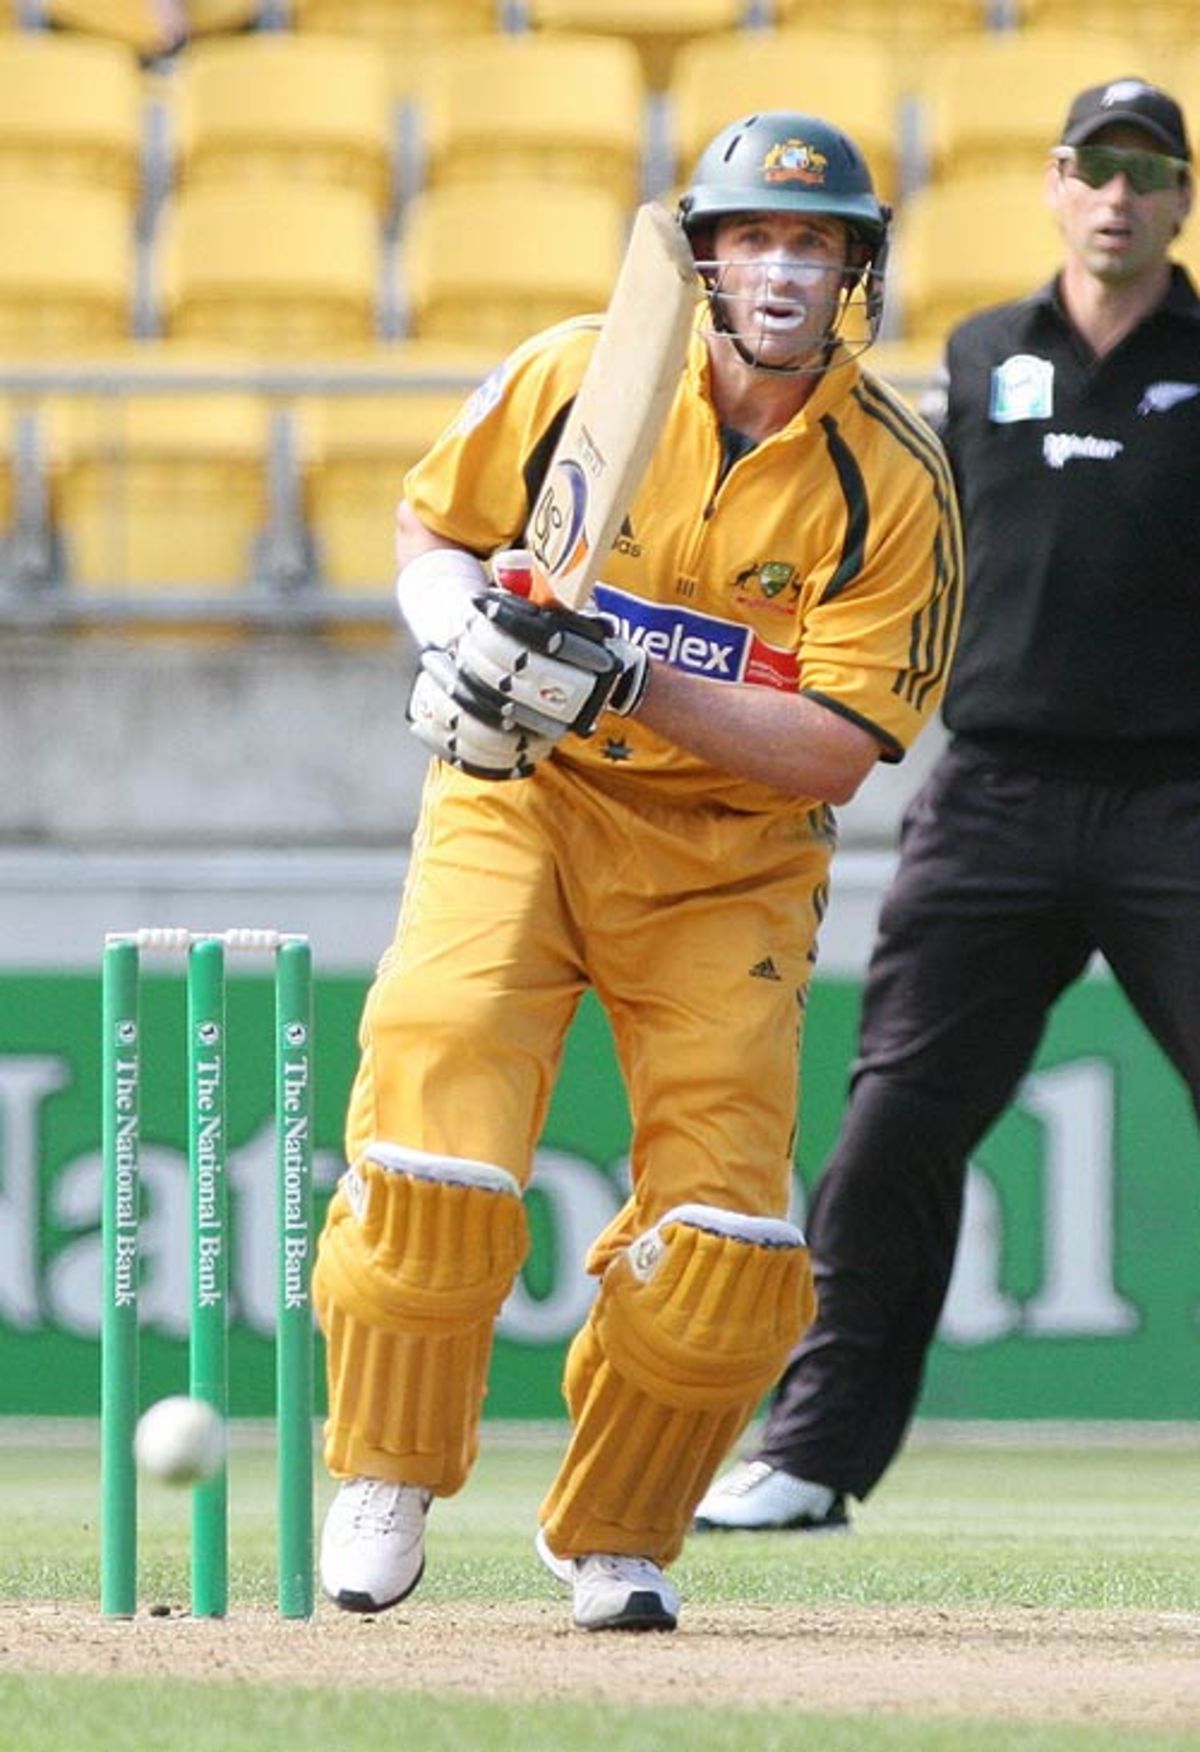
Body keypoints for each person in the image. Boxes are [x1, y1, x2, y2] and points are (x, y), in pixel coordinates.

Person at [311, 110, 962, 1631]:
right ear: (708, 257)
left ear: (857, 269)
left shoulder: (896, 478)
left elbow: (835, 749)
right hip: (522, 806)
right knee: (439, 1128)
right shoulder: (579, 371)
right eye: (756, 239)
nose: (786, 271)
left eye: (817, 243)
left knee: (732, 1243)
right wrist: (458, 633)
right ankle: (388, 1469)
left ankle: (618, 1532)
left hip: (728, 863)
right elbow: (434, 523)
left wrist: (616, 678)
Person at [694, 77, 1199, 1536]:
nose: (1118, 195)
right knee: (895, 1129)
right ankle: (813, 1456)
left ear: (1177, 196)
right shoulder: (981, 356)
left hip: (1179, 798)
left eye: (1146, 172)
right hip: (993, 794)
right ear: (1054, 182)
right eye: (1095, 168)